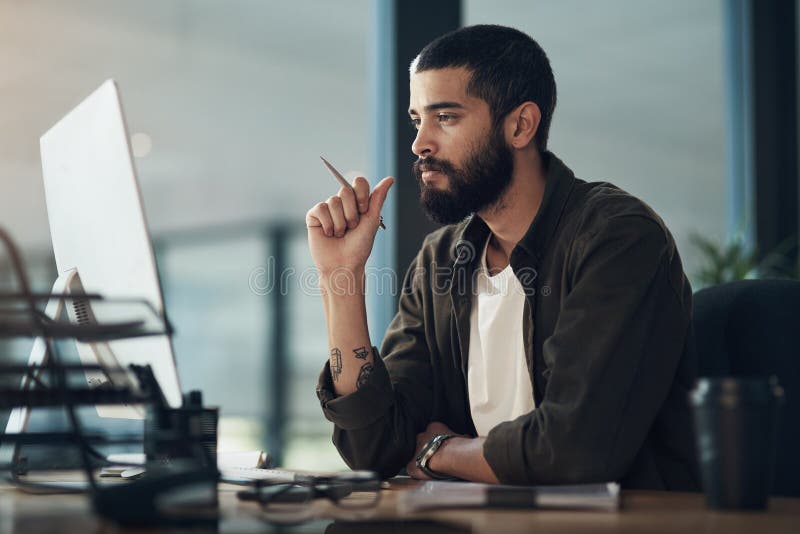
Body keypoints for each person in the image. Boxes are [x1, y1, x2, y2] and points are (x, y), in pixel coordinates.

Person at [305, 24, 699, 489]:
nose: (419, 144)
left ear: (520, 125)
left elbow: (570, 451)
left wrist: (440, 451)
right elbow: (373, 446)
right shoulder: (441, 261)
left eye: (445, 117)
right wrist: (340, 278)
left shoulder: (617, 238)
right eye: (417, 120)